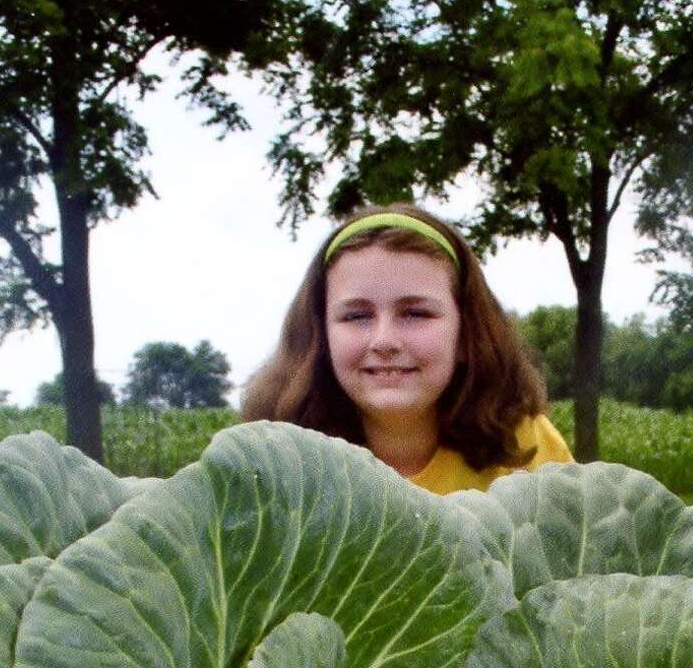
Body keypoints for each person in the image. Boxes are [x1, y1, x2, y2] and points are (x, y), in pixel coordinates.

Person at [240, 203, 572, 493]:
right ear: (321, 336)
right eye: (357, 316)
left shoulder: (523, 445)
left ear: (466, 334)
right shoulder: (273, 463)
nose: (384, 341)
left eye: (416, 313)